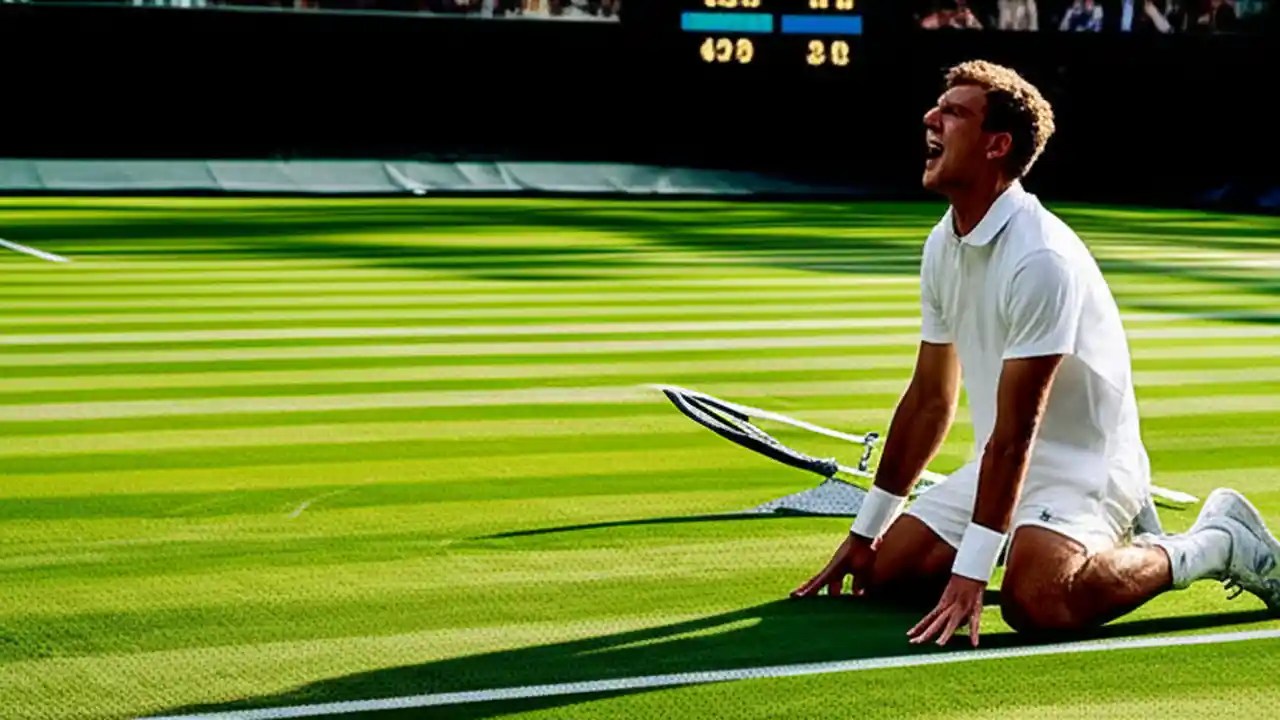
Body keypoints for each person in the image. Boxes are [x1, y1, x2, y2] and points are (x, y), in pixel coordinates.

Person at [791, 60, 1280, 646]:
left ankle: (1215, 543)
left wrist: (972, 573)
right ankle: (1031, 540)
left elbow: (1017, 432)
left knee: (1038, 602)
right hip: (1004, 463)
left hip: (1085, 466)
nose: (930, 118)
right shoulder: (943, 242)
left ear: (997, 145)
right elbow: (928, 400)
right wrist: (865, 532)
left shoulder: (1041, 258)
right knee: (887, 573)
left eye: (953, 112)